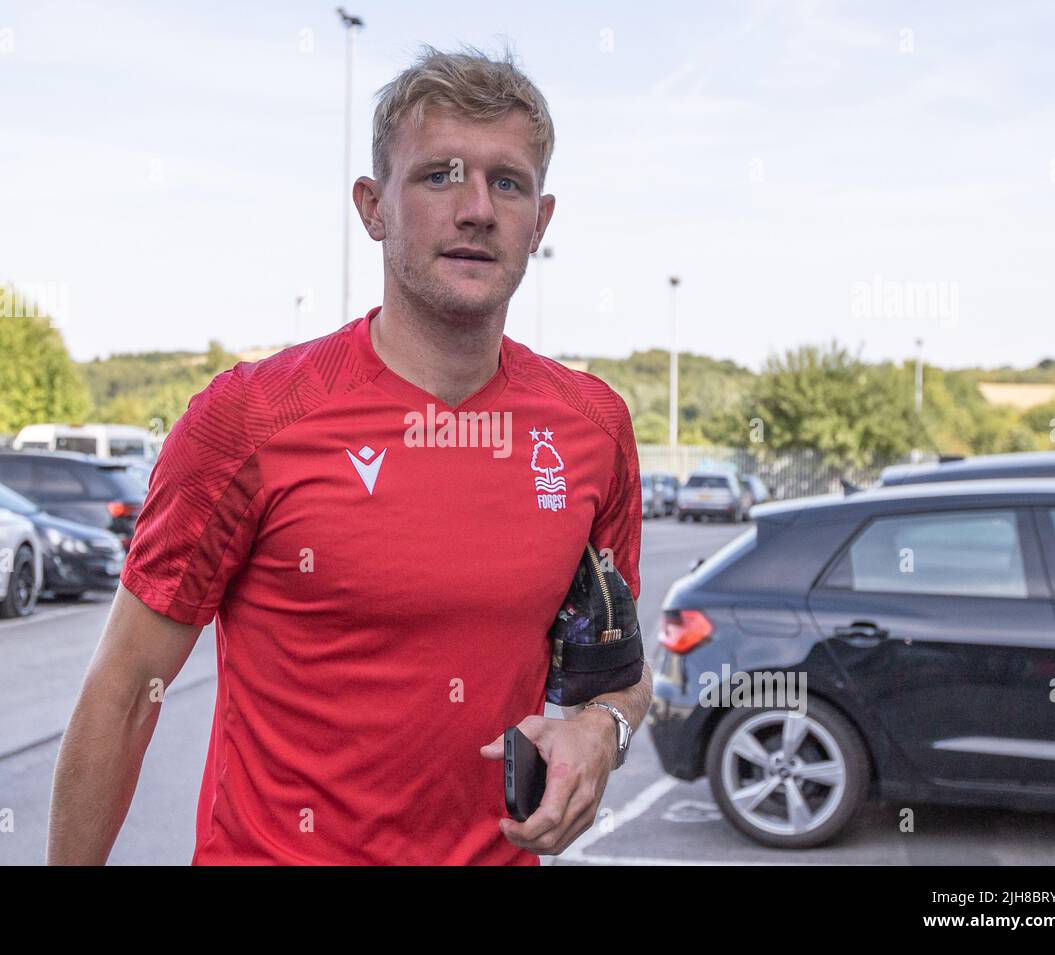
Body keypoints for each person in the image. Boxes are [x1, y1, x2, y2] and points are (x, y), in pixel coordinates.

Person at [48, 44, 651, 865]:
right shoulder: (250, 417)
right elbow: (122, 694)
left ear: (540, 222)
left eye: (507, 182)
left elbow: (617, 672)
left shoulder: (593, 427)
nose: (476, 208)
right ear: (373, 207)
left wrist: (602, 728)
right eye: (438, 175)